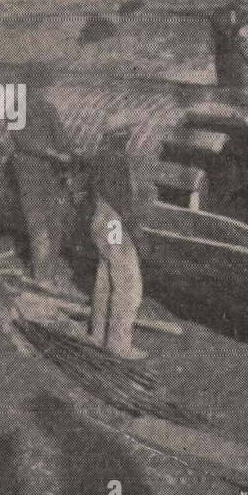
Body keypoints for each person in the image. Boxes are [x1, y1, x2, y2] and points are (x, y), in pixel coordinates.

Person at [88, 127, 151, 361]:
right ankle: (117, 344)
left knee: (105, 281)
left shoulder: (100, 158)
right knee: (129, 287)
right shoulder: (116, 161)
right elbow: (122, 202)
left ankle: (97, 335)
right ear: (120, 138)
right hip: (113, 223)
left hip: (100, 220)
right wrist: (137, 236)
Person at [11, 89, 78, 296]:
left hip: (48, 171)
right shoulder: (16, 108)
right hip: (28, 170)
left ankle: (46, 271)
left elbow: (61, 137)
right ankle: (41, 276)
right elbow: (20, 139)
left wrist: (71, 153)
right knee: (38, 222)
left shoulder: (48, 109)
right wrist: (52, 153)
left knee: (54, 224)